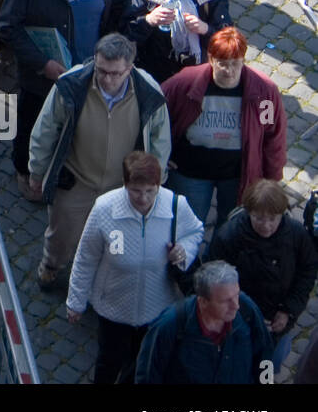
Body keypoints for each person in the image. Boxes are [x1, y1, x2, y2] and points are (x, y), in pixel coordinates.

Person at [28, 33, 172, 291]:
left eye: (115, 73)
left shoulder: (149, 92)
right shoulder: (71, 84)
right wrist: (36, 172)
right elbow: (45, 130)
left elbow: (160, 141)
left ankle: (99, 281)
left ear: (129, 68)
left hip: (121, 186)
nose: (107, 79)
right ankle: (51, 267)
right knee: (62, 234)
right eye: (101, 70)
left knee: (114, 239)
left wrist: (155, 183)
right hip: (77, 179)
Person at [0, 0, 126, 193]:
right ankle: (26, 170)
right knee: (33, 124)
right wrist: (42, 64)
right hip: (43, 79)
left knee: (79, 125)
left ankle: (67, 169)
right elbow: (8, 27)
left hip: (89, 74)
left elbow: (119, 9)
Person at [66, 152, 204, 384]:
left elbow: (195, 231)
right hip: (113, 308)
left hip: (156, 308)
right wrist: (76, 301)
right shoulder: (104, 209)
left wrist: (184, 250)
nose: (143, 198)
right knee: (108, 363)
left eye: (150, 191)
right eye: (136, 191)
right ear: (125, 184)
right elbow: (86, 257)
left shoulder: (175, 206)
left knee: (143, 366)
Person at [159, 27, 287, 227]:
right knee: (187, 227)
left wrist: (272, 178)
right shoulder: (183, 84)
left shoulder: (264, 93)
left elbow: (272, 135)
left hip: (238, 175)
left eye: (235, 64)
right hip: (190, 171)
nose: (229, 71)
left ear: (244, 60)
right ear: (210, 59)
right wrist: (160, 155)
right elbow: (156, 115)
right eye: (223, 64)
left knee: (232, 225)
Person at [208, 179, 317, 369]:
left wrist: (288, 312)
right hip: (236, 321)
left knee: (270, 364)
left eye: (272, 219)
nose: (266, 225)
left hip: (277, 321)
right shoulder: (230, 236)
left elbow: (307, 272)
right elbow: (213, 279)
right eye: (259, 218)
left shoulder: (296, 235)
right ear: (249, 212)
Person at [135, 261, 273, 384]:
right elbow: (148, 374)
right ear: (203, 302)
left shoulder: (246, 310)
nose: (236, 305)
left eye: (236, 295)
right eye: (225, 301)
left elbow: (265, 354)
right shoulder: (170, 325)